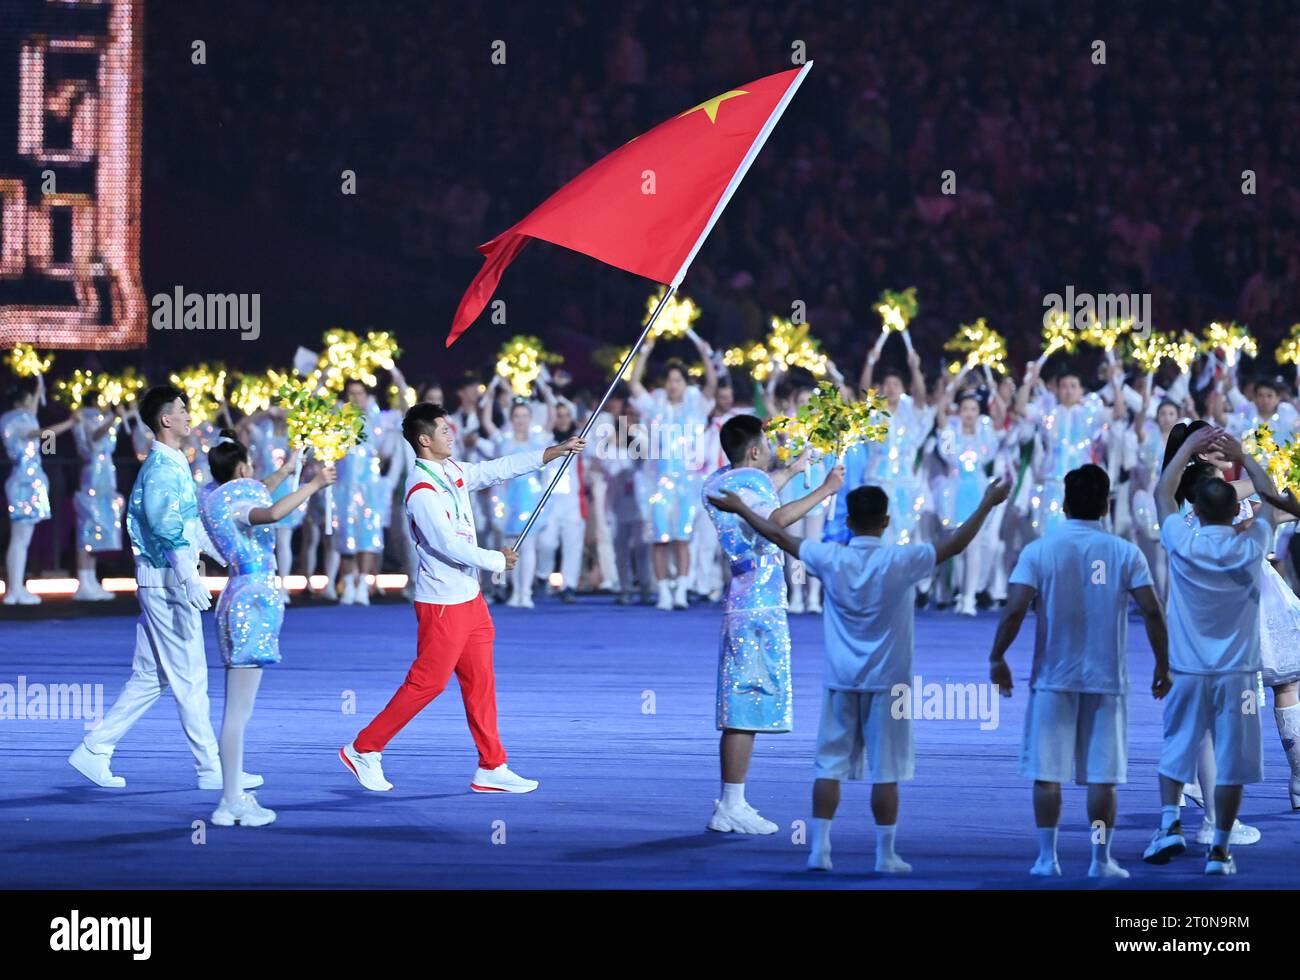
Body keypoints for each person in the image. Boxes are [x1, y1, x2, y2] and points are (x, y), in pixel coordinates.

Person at [711, 474, 1011, 872]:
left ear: (848, 522)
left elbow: (780, 537)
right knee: (886, 773)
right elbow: (955, 544)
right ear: (886, 522)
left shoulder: (831, 558)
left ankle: (819, 849)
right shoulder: (901, 560)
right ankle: (885, 853)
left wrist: (743, 509)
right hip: (890, 688)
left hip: (841, 682)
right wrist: (989, 503)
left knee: (829, 769)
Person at [338, 403, 584, 794]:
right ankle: (364, 748)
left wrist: (550, 453)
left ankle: (491, 765)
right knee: (427, 684)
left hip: (470, 599)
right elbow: (446, 544)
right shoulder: (421, 489)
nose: (451, 434)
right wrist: (495, 560)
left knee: (481, 682)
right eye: (443, 430)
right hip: (442, 603)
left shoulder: (451, 471)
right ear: (424, 440)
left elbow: (494, 470)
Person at [68, 386, 260, 792]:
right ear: (165, 420)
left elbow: (185, 525)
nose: (190, 417)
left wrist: (219, 552)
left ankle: (95, 748)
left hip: (166, 580)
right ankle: (212, 770)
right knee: (191, 679)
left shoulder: (173, 464)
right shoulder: (160, 468)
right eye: (183, 411)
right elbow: (164, 525)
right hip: (168, 582)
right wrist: (189, 575)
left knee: (150, 677)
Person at [988, 464, 1170, 878]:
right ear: (1106, 505)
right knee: (1103, 777)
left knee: (1046, 772)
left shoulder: (1040, 550)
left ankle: (1046, 857)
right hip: (1106, 679)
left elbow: (1015, 608)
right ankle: (1099, 859)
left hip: (1053, 677)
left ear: (1064, 504)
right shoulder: (1126, 552)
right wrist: (1163, 664)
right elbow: (1153, 612)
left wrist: (997, 657)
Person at [700, 415, 841, 834]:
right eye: (768, 444)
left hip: (741, 599)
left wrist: (794, 469)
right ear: (756, 451)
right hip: (760, 605)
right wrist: (824, 489)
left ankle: (732, 800)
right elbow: (775, 519)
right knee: (747, 702)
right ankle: (732, 803)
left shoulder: (719, 482)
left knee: (742, 701)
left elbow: (758, 499)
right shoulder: (750, 486)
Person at [1144, 425, 1271, 875]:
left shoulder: (1181, 531)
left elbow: (1161, 492)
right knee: (1230, 755)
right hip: (1237, 668)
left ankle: (1170, 823)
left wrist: (1185, 451)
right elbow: (1270, 497)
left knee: (1181, 744)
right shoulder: (1251, 541)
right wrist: (1246, 456)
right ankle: (1219, 842)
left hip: (1188, 660)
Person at [200, 431, 336, 826]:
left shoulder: (216, 497)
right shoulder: (239, 504)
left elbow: (260, 490)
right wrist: (313, 483)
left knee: (237, 711)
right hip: (251, 601)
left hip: (240, 594)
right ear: (242, 468)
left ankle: (232, 796)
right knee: (237, 713)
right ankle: (229, 800)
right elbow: (270, 513)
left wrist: (288, 469)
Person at [2, 378, 76, 605]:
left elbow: (33, 419)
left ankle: (17, 588)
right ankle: (14, 590)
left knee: (22, 539)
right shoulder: (18, 420)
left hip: (26, 481)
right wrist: (70, 423)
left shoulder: (15, 418)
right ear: (19, 403)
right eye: (28, 401)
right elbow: (42, 433)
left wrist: (37, 393)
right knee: (20, 538)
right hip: (25, 483)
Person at [70, 401, 125, 601]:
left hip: (105, 474)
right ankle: (83, 581)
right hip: (93, 474)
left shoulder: (103, 418)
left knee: (98, 530)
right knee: (88, 525)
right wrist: (113, 418)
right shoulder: (84, 418)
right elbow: (94, 438)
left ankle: (91, 579)